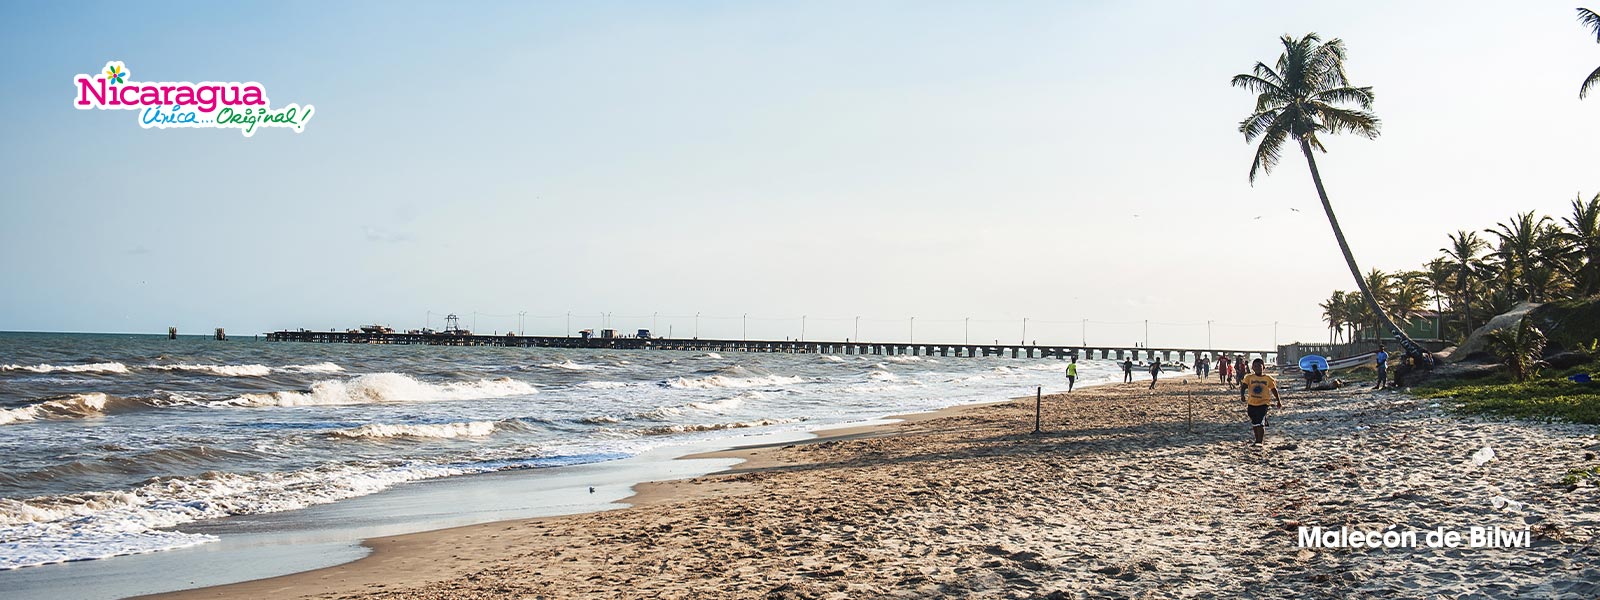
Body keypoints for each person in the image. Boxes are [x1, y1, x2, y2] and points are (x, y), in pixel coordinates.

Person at [1241, 358, 1283, 445]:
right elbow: (1243, 387)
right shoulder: (1249, 377)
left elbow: (1274, 390)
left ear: (1263, 367)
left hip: (1263, 404)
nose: (1257, 368)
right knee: (1255, 422)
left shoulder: (1268, 379)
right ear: (1252, 368)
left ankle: (1259, 441)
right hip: (1251, 403)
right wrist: (1242, 395)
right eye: (1255, 366)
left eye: (1259, 366)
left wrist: (1278, 400)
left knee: (1260, 422)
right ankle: (1257, 439)